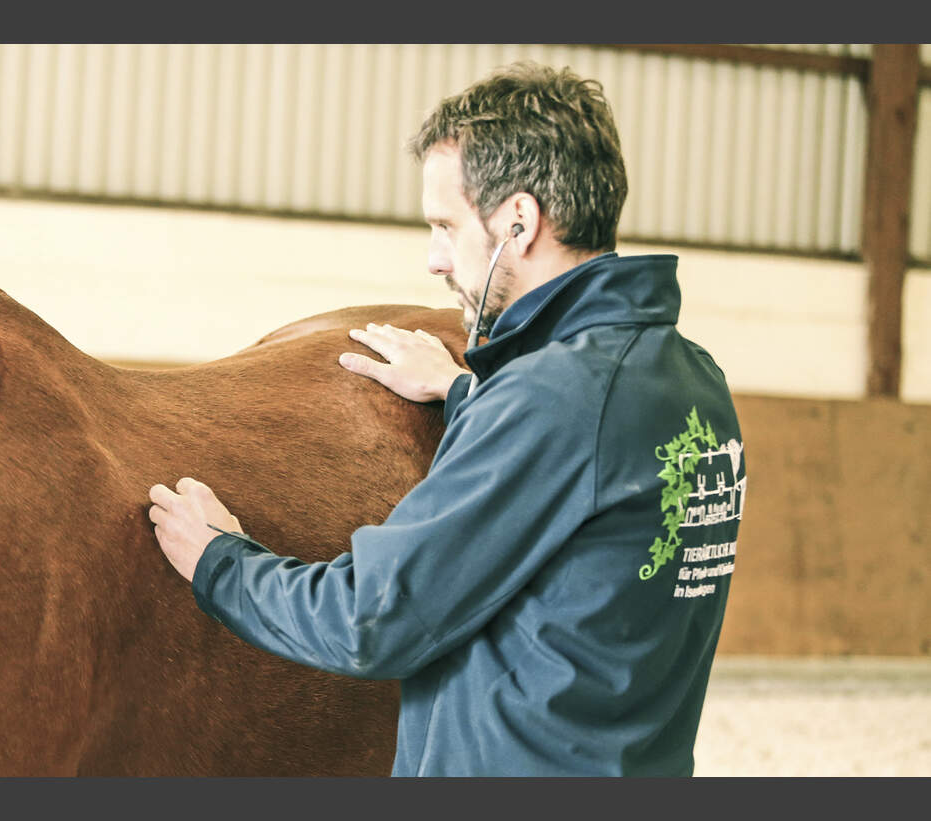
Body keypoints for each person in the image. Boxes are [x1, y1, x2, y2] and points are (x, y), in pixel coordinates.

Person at [148, 61, 746, 776]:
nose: (435, 259)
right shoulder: (690, 380)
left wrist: (220, 562)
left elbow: (374, 619)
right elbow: (588, 504)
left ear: (518, 222)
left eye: (446, 225)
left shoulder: (553, 402)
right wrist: (469, 397)